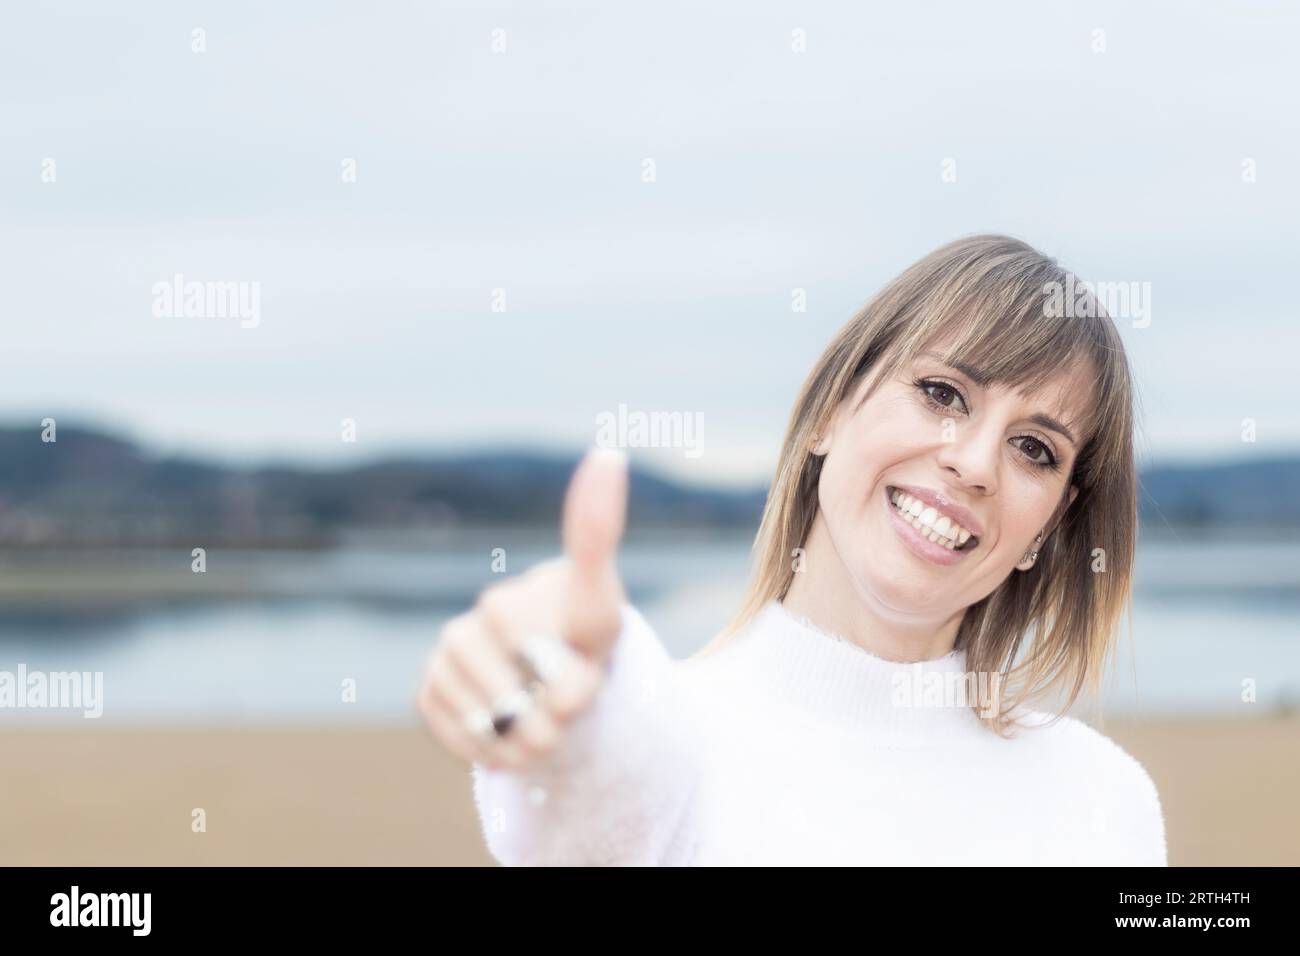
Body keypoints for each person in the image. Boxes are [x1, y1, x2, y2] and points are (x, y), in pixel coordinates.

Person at [417, 234, 1168, 866]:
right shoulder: (667, 740)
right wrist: (548, 679)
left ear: (1049, 526)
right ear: (831, 411)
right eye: (942, 394)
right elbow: (588, 784)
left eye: (1034, 447)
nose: (973, 464)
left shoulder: (1105, 801)